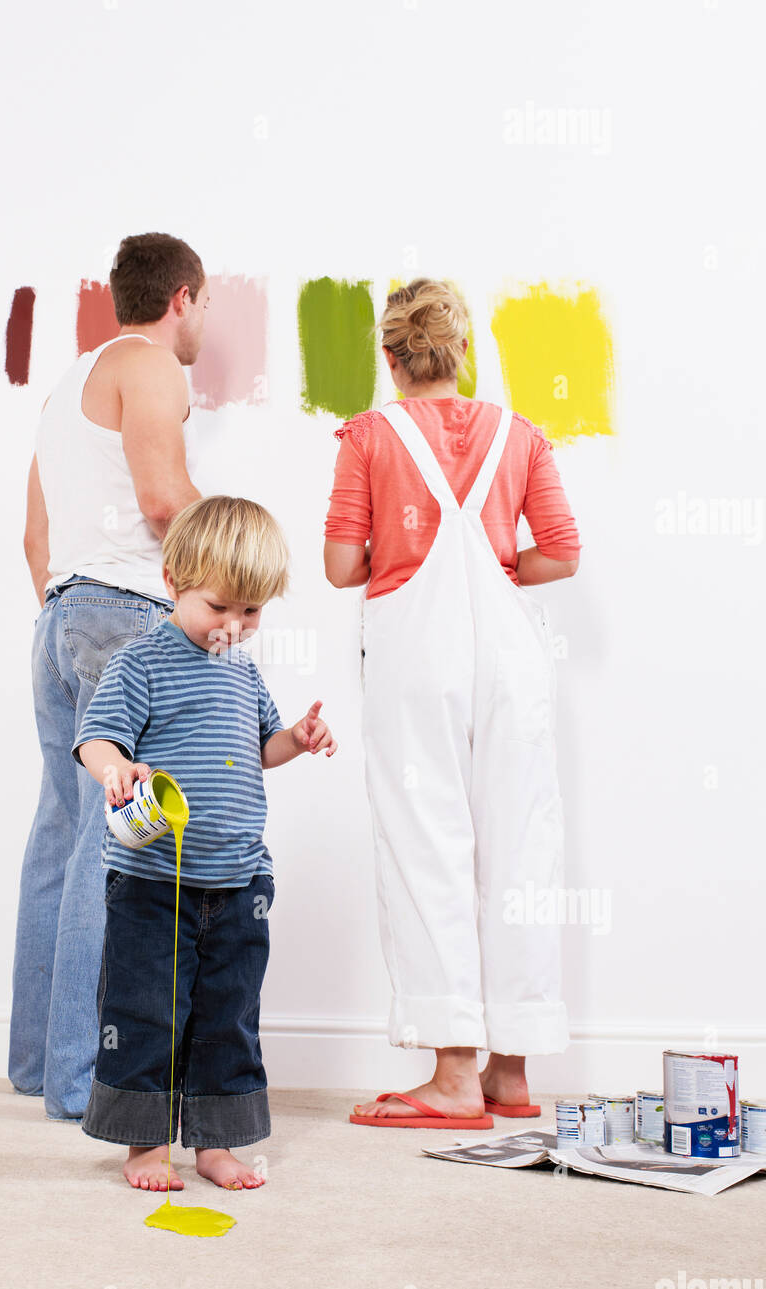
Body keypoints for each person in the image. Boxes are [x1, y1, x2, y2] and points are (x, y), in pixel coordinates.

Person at [323, 279, 581, 1127]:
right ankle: (511, 1069)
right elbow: (561, 554)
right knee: (521, 844)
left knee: (427, 841)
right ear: (462, 352)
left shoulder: (369, 436)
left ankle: (454, 1076)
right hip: (511, 664)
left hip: (416, 659)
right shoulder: (521, 435)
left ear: (390, 356)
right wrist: (496, 565)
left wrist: (408, 551)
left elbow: (341, 566)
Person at [74, 496, 338, 1190]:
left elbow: (262, 747)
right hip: (154, 882)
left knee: (229, 1016)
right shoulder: (141, 662)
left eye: (251, 612)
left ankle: (217, 1145)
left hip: (240, 880)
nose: (233, 626)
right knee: (146, 1013)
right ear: (173, 582)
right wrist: (116, 768)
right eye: (218, 607)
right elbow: (96, 738)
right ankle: (144, 1145)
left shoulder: (243, 671)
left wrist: (297, 739)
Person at [10, 232, 208, 1119]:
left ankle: (35, 1063)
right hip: (127, 616)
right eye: (204, 305)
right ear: (182, 297)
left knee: (61, 837)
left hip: (60, 618)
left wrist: (72, 617)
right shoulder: (152, 365)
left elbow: (35, 538)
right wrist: (239, 554)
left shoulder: (66, 389)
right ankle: (81, 1080)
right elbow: (165, 502)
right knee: (113, 843)